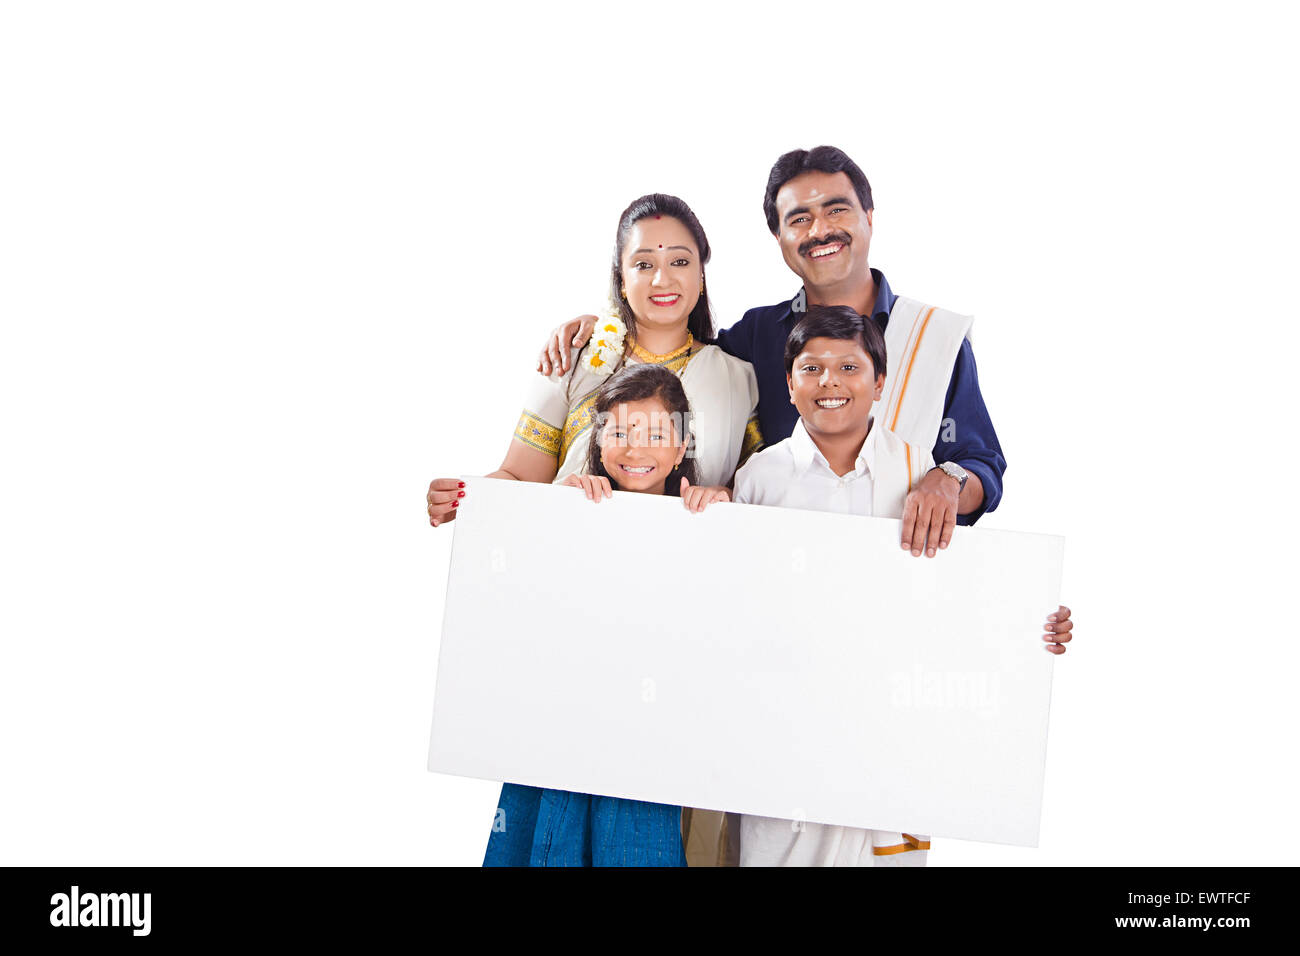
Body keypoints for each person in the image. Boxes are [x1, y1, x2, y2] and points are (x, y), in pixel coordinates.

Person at [726, 304, 1071, 866]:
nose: (830, 383)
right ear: (787, 385)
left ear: (880, 382)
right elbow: (733, 604)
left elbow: (961, 596)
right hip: (788, 734)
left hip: (886, 734)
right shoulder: (758, 479)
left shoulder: (920, 472)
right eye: (811, 369)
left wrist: (1029, 620)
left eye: (849, 367)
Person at [482, 365, 727, 866]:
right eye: (620, 433)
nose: (636, 449)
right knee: (547, 833)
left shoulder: (704, 521)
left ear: (682, 449)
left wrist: (720, 515)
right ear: (599, 440)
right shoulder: (571, 504)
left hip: (646, 737)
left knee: (635, 841)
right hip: (562, 720)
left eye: (658, 435)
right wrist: (554, 517)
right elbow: (519, 600)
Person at [426, 192, 758, 528]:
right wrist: (470, 496)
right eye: (644, 264)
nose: (663, 279)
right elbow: (519, 476)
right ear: (622, 279)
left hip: (682, 562)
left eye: (680, 262)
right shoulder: (571, 357)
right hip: (567, 551)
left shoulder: (737, 378)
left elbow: (761, 489)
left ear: (701, 275)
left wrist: (726, 497)